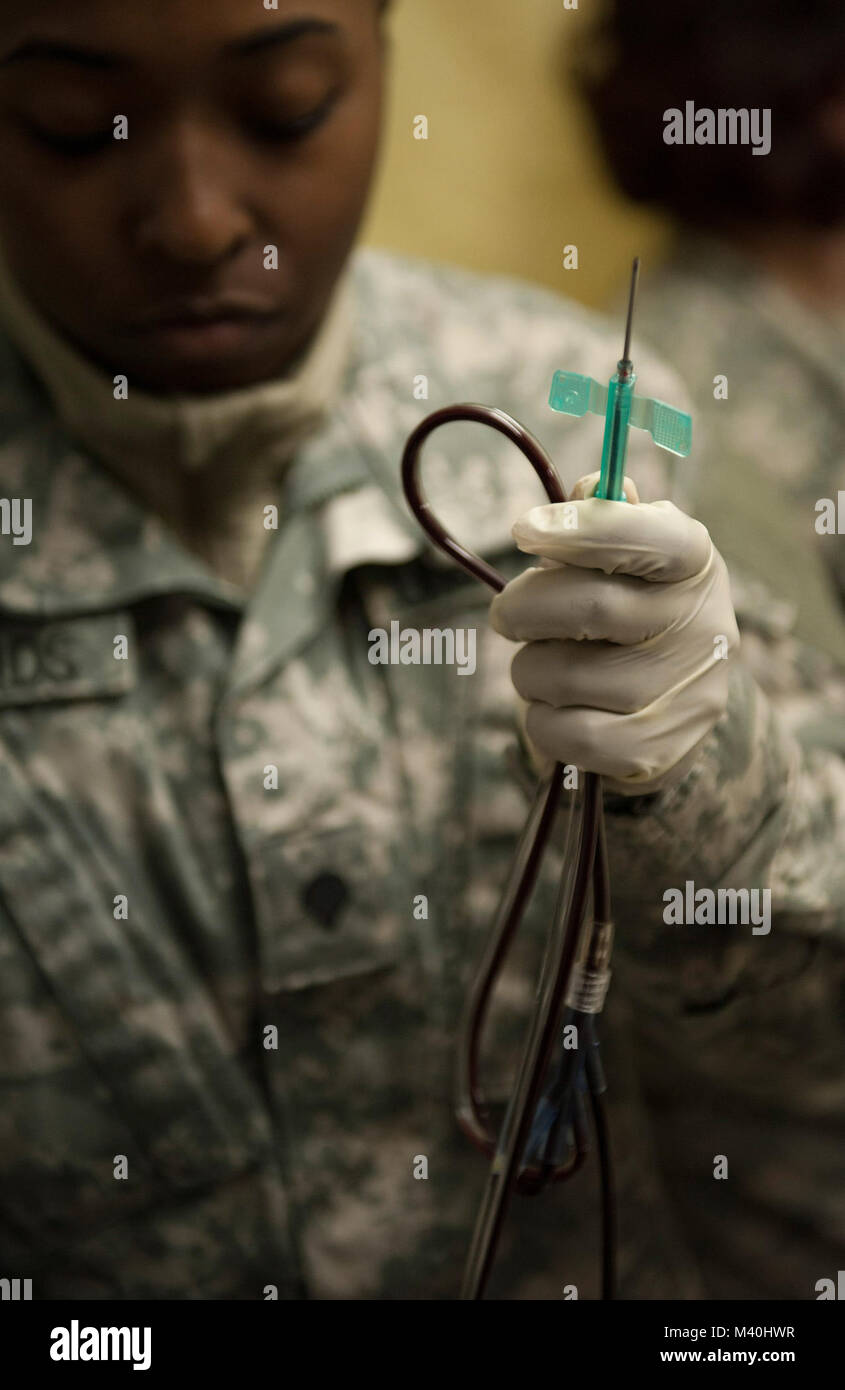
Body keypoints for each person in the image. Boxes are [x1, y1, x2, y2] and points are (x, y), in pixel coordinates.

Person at [0, 0, 837, 1301]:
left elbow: (806, 1050)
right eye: (73, 127)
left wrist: (705, 782)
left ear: (386, 53)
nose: (197, 219)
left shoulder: (576, 401)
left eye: (284, 108)